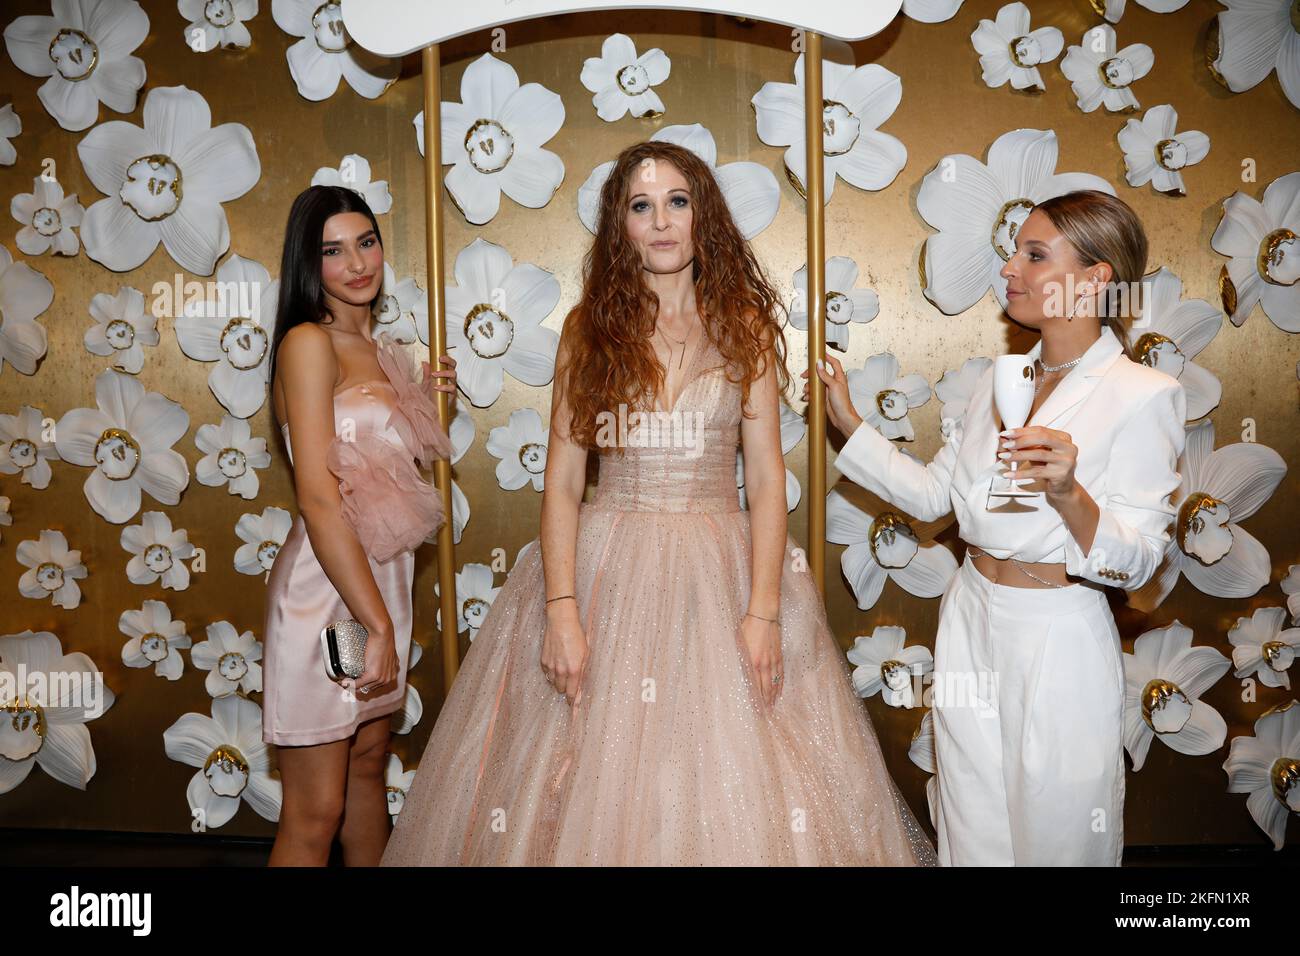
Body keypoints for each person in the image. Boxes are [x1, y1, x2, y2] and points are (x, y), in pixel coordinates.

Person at [380, 142, 937, 866]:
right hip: (608, 568)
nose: (663, 221)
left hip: (724, 574)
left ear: (703, 215)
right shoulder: (588, 330)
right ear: (621, 227)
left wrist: (764, 612)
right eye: (642, 206)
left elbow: (766, 479)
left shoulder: (748, 329)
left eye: (678, 201)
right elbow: (564, 480)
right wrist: (562, 610)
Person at [808, 190, 1186, 865]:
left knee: (1060, 831)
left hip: (1057, 638)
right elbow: (933, 499)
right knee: (969, 822)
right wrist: (848, 424)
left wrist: (1071, 493)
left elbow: (1141, 563)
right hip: (968, 619)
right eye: (1014, 251)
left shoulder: (1143, 395)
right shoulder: (996, 382)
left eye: (1035, 254)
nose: (1009, 268)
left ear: (1097, 278)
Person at [261, 185, 457, 866]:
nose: (357, 263)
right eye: (333, 250)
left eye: (366, 242)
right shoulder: (308, 343)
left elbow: (390, 478)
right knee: (317, 812)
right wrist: (373, 625)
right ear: (308, 264)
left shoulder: (379, 346)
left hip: (384, 580)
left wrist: (433, 413)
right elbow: (319, 498)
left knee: (369, 769)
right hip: (333, 594)